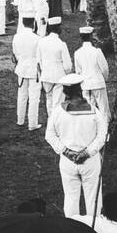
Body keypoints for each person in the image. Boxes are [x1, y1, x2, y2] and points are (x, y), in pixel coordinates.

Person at [45, 75, 107, 217]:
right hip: (90, 161)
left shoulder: (57, 112)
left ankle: (72, 229)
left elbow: (50, 135)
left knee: (71, 197)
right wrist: (87, 153)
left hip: (68, 161)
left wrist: (66, 151)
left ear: (65, 92)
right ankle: (95, 230)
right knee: (93, 198)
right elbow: (102, 136)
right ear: (80, 90)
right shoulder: (94, 111)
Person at [36, 16, 73, 116]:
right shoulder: (61, 44)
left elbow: (38, 61)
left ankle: (51, 122)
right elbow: (67, 66)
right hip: (59, 76)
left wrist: (43, 72)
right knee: (57, 103)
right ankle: (55, 125)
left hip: (46, 75)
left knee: (49, 100)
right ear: (58, 28)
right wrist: (67, 74)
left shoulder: (41, 42)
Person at [74, 26, 110, 123]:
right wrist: (104, 79)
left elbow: (78, 71)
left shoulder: (77, 53)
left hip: (86, 84)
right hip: (98, 82)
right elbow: (104, 69)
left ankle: (91, 128)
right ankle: (105, 130)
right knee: (103, 109)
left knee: (89, 110)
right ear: (90, 37)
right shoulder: (97, 52)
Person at [12, 17, 42, 131]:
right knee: (34, 97)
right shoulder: (37, 38)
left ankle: (20, 120)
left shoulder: (17, 37)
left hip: (22, 68)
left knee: (22, 95)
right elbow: (40, 56)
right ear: (33, 24)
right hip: (33, 69)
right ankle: (32, 123)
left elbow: (15, 53)